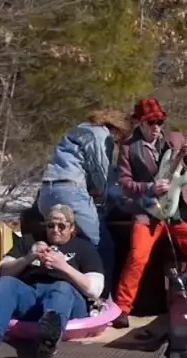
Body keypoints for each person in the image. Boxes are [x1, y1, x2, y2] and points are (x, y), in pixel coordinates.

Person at [0, 204, 104, 358]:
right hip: (31, 296)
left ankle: (46, 342)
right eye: (50, 225)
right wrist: (28, 257)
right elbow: (1, 272)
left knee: (62, 288)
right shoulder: (30, 241)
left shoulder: (83, 247)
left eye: (61, 226)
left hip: (68, 301)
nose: (55, 230)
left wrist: (63, 266)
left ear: (72, 228)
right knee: (7, 283)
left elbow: (95, 289)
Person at [112, 97, 187, 328]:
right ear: (141, 123)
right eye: (151, 122)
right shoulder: (128, 147)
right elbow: (124, 183)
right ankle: (122, 309)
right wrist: (149, 187)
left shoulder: (175, 139)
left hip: (178, 208)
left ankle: (183, 297)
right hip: (148, 209)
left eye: (160, 121)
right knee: (137, 257)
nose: (157, 127)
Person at [37, 109, 131, 286]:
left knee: (66, 245)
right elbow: (101, 175)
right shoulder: (102, 136)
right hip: (70, 192)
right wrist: (113, 196)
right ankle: (101, 298)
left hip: (47, 192)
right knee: (101, 245)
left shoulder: (78, 130)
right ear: (119, 129)